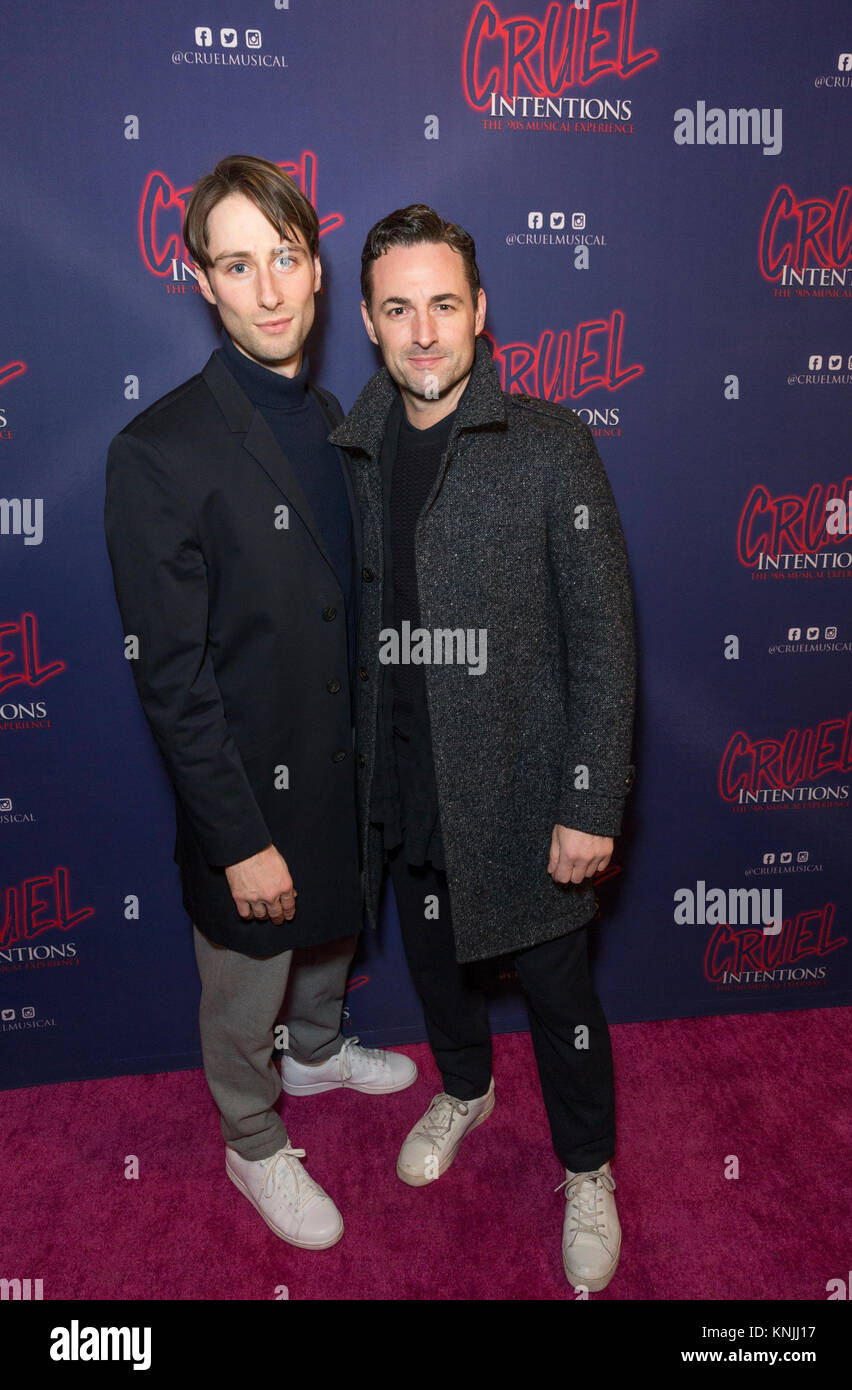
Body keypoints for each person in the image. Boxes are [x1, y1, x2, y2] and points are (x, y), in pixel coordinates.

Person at [104, 156, 415, 1253]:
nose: (270, 290)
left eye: (285, 258)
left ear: (317, 268)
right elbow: (172, 677)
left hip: (337, 767)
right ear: (203, 280)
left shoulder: (329, 415)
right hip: (245, 790)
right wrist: (238, 839)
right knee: (248, 986)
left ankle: (320, 1053)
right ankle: (250, 1138)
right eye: (240, 265)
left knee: (330, 935)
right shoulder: (155, 452)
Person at [330, 206, 636, 1292]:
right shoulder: (349, 447)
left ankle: (586, 1168)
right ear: (367, 320)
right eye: (399, 308)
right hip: (404, 782)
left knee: (560, 998)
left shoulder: (551, 442)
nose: (423, 332)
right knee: (433, 965)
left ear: (480, 313)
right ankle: (462, 1085)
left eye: (443, 305)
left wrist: (589, 800)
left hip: (520, 787)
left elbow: (602, 636)